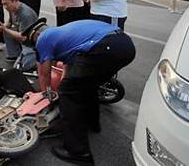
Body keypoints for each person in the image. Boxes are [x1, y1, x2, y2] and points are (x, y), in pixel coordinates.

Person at [23, 19, 136, 165]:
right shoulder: (64, 36)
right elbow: (69, 70)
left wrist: (47, 96)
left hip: (104, 46)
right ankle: (92, 124)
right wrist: (65, 85)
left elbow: (44, 74)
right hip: (124, 45)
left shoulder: (43, 38)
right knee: (88, 85)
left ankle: (78, 152)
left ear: (35, 36)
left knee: (67, 93)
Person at [0, 0, 38, 71]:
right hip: (22, 36)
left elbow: (23, 37)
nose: (5, 7)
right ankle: (14, 55)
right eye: (3, 4)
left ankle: (32, 58)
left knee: (21, 67)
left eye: (6, 4)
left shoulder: (26, 14)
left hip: (31, 43)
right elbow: (10, 22)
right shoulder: (12, 9)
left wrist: (4, 29)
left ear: (15, 0)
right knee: (6, 30)